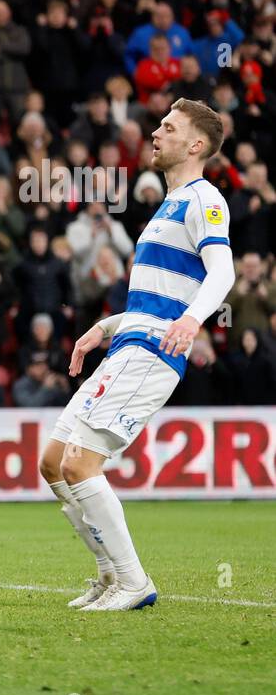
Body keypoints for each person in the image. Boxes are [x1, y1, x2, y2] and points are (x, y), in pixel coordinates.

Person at [40, 99, 234, 612]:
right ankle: (108, 574)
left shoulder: (203, 199)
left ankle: (134, 582)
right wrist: (103, 328)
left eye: (168, 128)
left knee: (81, 464)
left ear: (196, 145)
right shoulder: (165, 208)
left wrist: (194, 320)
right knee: (54, 462)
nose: (155, 133)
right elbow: (154, 301)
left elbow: (223, 273)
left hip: (153, 351)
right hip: (131, 340)